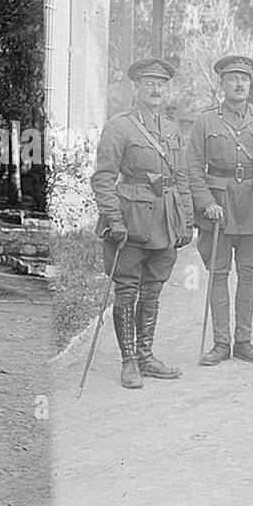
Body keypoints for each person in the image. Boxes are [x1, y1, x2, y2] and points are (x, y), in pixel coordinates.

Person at [90, 58, 194, 389]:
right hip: (132, 220)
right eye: (148, 83)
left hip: (165, 219)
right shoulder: (119, 127)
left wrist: (187, 220)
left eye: (161, 84)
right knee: (127, 289)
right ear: (136, 87)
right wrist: (114, 219)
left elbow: (181, 177)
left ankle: (146, 356)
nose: (155, 89)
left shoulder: (172, 127)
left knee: (153, 290)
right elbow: (103, 179)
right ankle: (128, 361)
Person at [186, 53, 253, 366]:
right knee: (219, 273)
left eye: (245, 78)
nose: (239, 84)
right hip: (218, 208)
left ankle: (244, 341)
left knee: (249, 273)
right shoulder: (205, 120)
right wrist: (206, 202)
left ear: (251, 84)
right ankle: (221, 343)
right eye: (233, 78)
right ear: (221, 83)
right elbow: (193, 169)